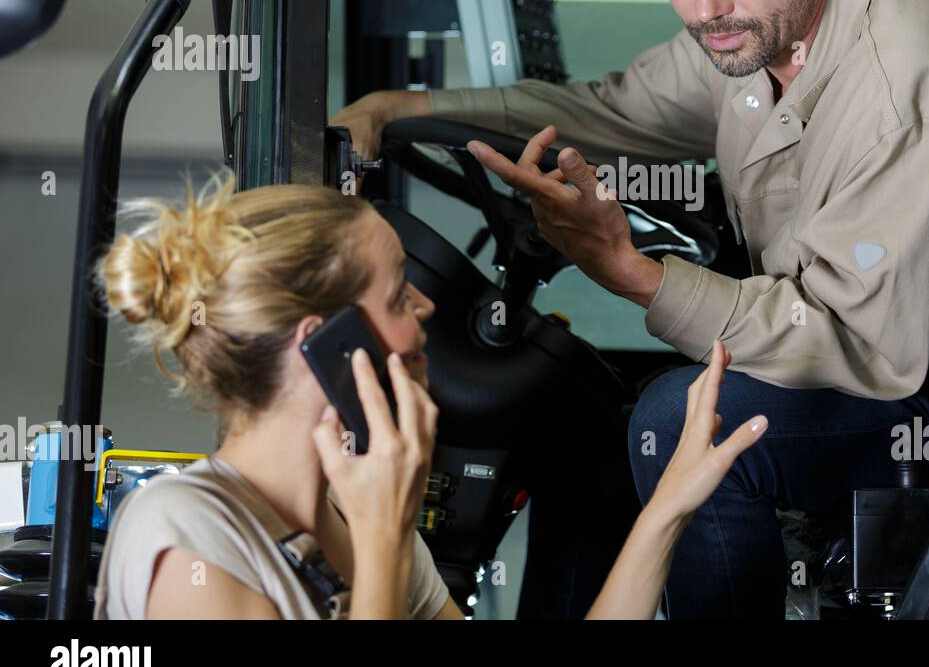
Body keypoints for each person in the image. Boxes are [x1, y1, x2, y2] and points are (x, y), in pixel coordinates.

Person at [332, 0, 929, 617]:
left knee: (676, 423)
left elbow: (865, 350)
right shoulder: (757, 26)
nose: (704, 6)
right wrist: (412, 110)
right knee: (588, 414)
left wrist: (632, 274)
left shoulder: (907, 82)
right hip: (883, 358)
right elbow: (616, 111)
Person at [92, 173, 765, 619]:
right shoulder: (187, 537)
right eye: (395, 295)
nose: (425, 306)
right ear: (322, 343)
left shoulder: (355, 520)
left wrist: (668, 505)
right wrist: (385, 539)